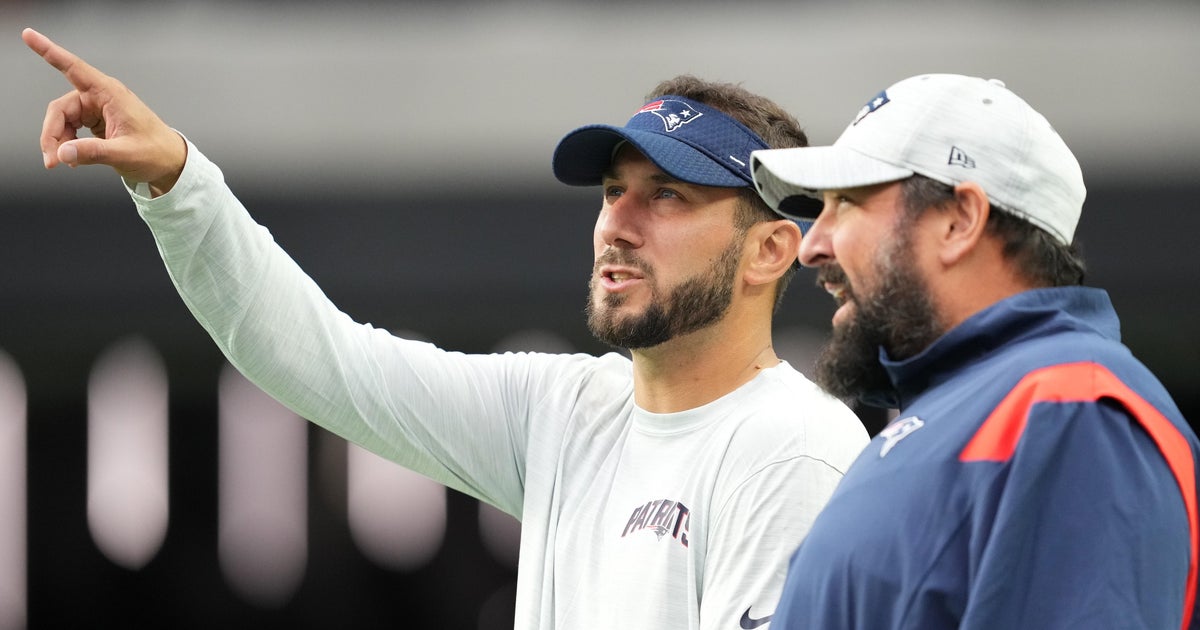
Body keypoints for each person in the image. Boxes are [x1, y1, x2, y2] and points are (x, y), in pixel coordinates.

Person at [23, 28, 869, 629]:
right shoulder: (568, 411)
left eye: (669, 196)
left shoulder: (792, 447)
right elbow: (320, 358)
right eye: (614, 191)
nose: (618, 223)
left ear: (769, 252)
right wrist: (176, 179)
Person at [749, 73, 1200, 629]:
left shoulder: (1069, 409)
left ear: (960, 221)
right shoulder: (958, 416)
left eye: (845, 203)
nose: (812, 245)